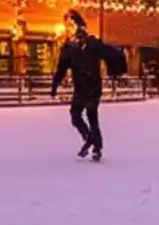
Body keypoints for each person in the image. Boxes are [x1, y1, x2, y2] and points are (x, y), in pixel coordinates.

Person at [51, 10, 124, 162]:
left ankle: (97, 148)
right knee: (75, 115)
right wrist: (55, 84)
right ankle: (89, 138)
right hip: (80, 87)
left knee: (92, 114)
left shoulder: (92, 44)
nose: (70, 29)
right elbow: (61, 67)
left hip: (93, 85)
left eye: (72, 25)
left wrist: (117, 69)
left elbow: (111, 54)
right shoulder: (68, 48)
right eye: (68, 25)